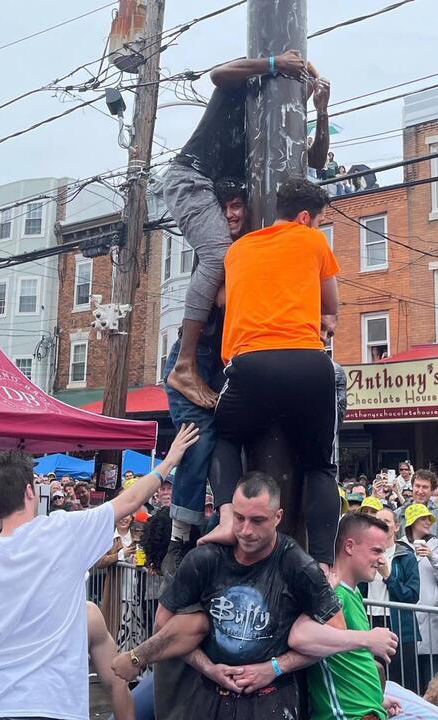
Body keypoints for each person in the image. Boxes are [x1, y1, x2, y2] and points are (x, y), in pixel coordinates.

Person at [0, 424, 199, 720]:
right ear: (30, 491)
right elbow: (128, 502)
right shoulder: (60, 530)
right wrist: (169, 463)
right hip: (50, 706)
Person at [111, 472, 397, 720]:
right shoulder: (205, 559)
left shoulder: (296, 565)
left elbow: (333, 635)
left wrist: (273, 668)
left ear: (278, 518)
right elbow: (165, 624)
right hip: (206, 698)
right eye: (239, 518)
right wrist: (209, 668)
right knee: (194, 621)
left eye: (258, 520)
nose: (246, 531)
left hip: (272, 702)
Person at [163, 49, 330, 409]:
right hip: (192, 176)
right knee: (218, 253)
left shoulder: (283, 118)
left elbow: (314, 161)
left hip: (214, 192)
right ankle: (183, 365)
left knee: (234, 255)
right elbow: (218, 73)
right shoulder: (247, 82)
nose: (300, 90)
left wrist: (320, 110)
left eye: (306, 85)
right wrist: (273, 63)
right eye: (300, 80)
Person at [207, 178, 340, 570]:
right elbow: (332, 303)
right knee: (320, 465)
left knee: (225, 437)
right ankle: (322, 563)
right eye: (317, 221)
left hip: (251, 366)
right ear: (304, 218)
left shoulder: (238, 249)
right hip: (307, 363)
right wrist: (322, 317)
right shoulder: (312, 240)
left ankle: (230, 516)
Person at [164, 179, 249, 556]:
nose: (231, 214)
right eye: (225, 207)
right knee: (198, 443)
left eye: (237, 206)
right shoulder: (216, 251)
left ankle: (223, 526)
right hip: (191, 363)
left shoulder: (244, 249)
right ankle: (178, 539)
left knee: (228, 445)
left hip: (220, 365)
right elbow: (223, 296)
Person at [307, 512, 401, 720]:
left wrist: (376, 699)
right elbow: (311, 644)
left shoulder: (353, 591)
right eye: (376, 551)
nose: (381, 559)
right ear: (349, 546)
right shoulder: (334, 595)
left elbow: (350, 661)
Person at [404, 502, 438, 689]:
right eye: (422, 518)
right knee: (410, 681)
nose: (427, 522)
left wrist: (433, 557)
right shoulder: (400, 545)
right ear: (412, 522)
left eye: (428, 518)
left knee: (435, 680)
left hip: (433, 619)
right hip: (408, 619)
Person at [372, 506, 420, 690]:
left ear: (396, 526)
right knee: (375, 681)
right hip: (370, 619)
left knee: (402, 684)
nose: (382, 526)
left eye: (386, 522)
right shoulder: (366, 553)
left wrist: (388, 577)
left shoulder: (406, 556)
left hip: (398, 626)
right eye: (378, 521)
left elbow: (412, 595)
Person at [395, 469, 438, 551]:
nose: (420, 491)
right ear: (412, 487)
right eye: (417, 486)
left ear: (432, 491)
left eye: (425, 487)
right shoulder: (397, 514)